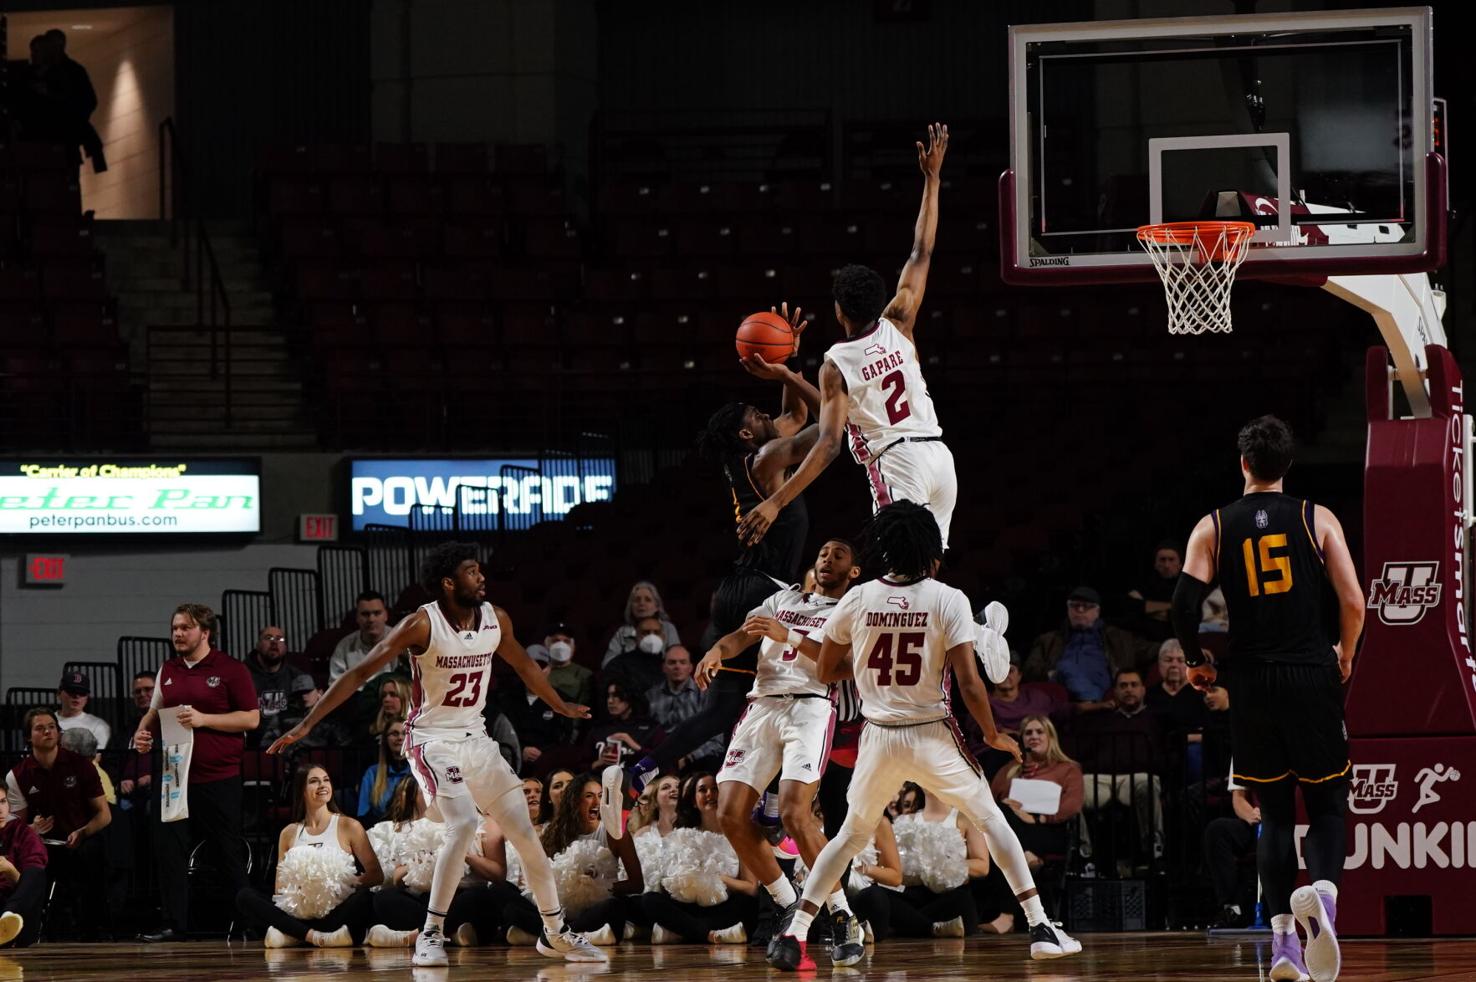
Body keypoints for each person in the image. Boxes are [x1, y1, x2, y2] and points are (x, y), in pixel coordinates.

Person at [764, 502, 1079, 971]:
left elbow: (827, 669)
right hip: (930, 731)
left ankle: (796, 933)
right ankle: (1039, 925)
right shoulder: (947, 598)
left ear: (882, 549)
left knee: (849, 835)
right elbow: (970, 683)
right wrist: (991, 734)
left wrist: (870, 664)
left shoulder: (858, 597)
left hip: (878, 734)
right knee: (990, 820)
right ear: (932, 552)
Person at [266, 541, 604, 966]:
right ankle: (431, 933)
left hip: (476, 739)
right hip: (430, 740)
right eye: (471, 571)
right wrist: (306, 724)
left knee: (525, 834)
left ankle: (555, 933)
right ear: (449, 582)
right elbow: (359, 672)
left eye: (481, 570)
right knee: (462, 823)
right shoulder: (420, 624)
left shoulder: (495, 618)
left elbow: (524, 665)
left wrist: (559, 704)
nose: (481, 577)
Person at [1172, 415, 1365, 982]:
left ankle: (1283, 944)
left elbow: (1185, 603)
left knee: (1274, 815)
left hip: (1252, 683)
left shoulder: (1213, 526)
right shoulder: (1316, 517)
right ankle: (1323, 901)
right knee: (1328, 805)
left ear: (1243, 464)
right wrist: (1346, 653)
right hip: (1310, 673)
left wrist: (1196, 662)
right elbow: (1353, 601)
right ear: (1287, 466)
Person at [614, 328, 821, 798]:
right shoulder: (768, 458)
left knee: (722, 711)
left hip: (736, 589)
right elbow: (829, 422)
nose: (766, 413)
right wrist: (789, 372)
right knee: (797, 693)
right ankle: (773, 802)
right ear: (748, 433)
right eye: (755, 414)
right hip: (763, 591)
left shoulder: (753, 457)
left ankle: (641, 770)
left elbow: (794, 413)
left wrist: (788, 359)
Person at [739, 124, 956, 551]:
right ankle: (963, 621)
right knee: (928, 565)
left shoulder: (836, 363)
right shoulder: (900, 320)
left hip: (898, 463)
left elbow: (830, 443)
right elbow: (921, 251)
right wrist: (932, 179)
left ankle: (965, 621)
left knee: (900, 571)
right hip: (939, 457)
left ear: (838, 310)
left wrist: (775, 504)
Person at [690, 539, 863, 962]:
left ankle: (842, 915)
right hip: (761, 703)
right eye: (823, 552)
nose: (827, 558)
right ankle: (788, 903)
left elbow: (841, 668)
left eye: (839, 554)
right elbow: (739, 637)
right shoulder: (783, 597)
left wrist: (790, 636)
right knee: (729, 813)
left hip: (810, 706)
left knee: (794, 813)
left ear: (853, 571)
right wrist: (716, 651)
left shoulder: (853, 611)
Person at [132, 603, 259, 942]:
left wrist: (205, 720)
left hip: (218, 775)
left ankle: (244, 922)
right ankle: (176, 924)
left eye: (185, 627)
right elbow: (154, 711)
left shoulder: (231, 669)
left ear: (205, 633)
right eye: (175, 627)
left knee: (226, 851)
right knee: (169, 851)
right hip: (174, 773)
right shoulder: (168, 669)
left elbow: (251, 718)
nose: (177, 633)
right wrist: (143, 733)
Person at [235, 764, 380, 947]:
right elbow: (279, 890)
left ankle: (294, 934)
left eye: (326, 780)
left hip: (336, 910)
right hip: (300, 914)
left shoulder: (349, 826)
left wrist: (339, 883)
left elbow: (376, 875)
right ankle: (315, 937)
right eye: (314, 781)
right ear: (301, 790)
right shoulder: (289, 832)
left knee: (365, 898)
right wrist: (303, 891)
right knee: (245, 896)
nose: (322, 785)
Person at [502, 774, 647, 946]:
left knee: (616, 906)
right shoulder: (552, 834)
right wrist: (565, 886)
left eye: (601, 796)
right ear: (574, 801)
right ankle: (579, 936)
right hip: (562, 909)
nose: (597, 802)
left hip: (598, 906)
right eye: (589, 796)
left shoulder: (616, 833)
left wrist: (597, 886)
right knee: (510, 907)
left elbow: (637, 884)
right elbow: (541, 879)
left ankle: (551, 937)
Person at [5, 708, 111, 939]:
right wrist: (31, 830)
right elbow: (17, 826)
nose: (47, 732)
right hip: (43, 844)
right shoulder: (17, 775)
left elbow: (104, 814)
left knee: (93, 853)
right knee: (30, 862)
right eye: (39, 728)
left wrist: (83, 832)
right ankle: (27, 929)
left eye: (52, 727)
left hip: (81, 839)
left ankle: (93, 931)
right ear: (27, 737)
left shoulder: (81, 765)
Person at [986, 715, 1084, 931]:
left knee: (1005, 845)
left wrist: (1038, 818)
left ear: (1050, 736)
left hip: (1049, 831)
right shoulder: (1010, 769)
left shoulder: (1067, 769)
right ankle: (1026, 854)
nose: (1034, 736)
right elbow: (989, 802)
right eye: (1028, 733)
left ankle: (1007, 916)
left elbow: (1072, 806)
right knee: (1000, 816)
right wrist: (1008, 805)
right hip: (1016, 830)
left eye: (1039, 732)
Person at [642, 772, 759, 944]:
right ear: (693, 801)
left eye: (715, 789)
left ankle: (681, 932)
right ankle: (709, 934)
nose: (710, 794)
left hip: (722, 907)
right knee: (649, 900)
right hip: (687, 907)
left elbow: (751, 888)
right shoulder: (682, 835)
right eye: (703, 790)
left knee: (749, 903)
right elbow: (667, 881)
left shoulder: (739, 836)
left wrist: (718, 879)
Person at [1023, 587, 1153, 709]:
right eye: (1075, 606)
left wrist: (1170, 644)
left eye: (1086, 607)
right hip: (1062, 697)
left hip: (1104, 693)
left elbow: (1149, 649)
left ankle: (1090, 703)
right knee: (1066, 667)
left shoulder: (1119, 638)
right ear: (1068, 609)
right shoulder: (1049, 640)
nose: (1080, 610)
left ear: (1097, 612)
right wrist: (1052, 673)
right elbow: (1029, 669)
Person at [644, 646, 723, 769]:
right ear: (663, 667)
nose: (677, 666)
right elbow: (645, 733)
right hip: (659, 757)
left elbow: (716, 741)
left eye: (682, 662)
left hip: (696, 759)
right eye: (672, 662)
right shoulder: (651, 696)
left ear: (691, 667)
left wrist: (688, 757)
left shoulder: (705, 694)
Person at [1204, 760, 1260, 929]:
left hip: (1286, 823)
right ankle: (1232, 909)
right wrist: (1252, 814)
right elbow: (1239, 798)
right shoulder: (1243, 747)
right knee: (1218, 830)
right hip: (1259, 825)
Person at [246, 625, 321, 749]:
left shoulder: (297, 677)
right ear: (258, 645)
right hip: (252, 745)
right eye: (268, 638)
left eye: (280, 639)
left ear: (285, 648)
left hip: (288, 744)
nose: (274, 642)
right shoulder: (242, 675)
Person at [0, 791, 48, 948]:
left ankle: (6, 918)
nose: (0, 810)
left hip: (19, 912)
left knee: (36, 874)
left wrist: (9, 870)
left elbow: (31, 884)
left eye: (2, 802)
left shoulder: (23, 833)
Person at [602, 582, 682, 665]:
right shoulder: (622, 632)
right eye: (637, 600)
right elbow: (607, 664)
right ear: (631, 606)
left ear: (657, 606)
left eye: (648, 600)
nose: (641, 603)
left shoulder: (668, 629)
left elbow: (677, 661)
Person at [329, 591, 393, 687]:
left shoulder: (401, 639)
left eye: (377, 613)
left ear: (386, 616)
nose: (371, 619)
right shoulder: (344, 646)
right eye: (365, 614)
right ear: (357, 617)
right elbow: (335, 685)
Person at [1126, 541, 1184, 642]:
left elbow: (1183, 617)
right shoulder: (1144, 584)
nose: (1166, 565)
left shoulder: (1188, 587)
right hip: (1147, 641)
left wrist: (1147, 608)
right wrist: (1171, 607)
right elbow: (1133, 608)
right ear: (1155, 564)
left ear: (1180, 565)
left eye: (1171, 560)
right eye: (1162, 560)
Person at [530, 623, 595, 709]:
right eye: (555, 641)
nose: (561, 645)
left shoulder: (584, 675)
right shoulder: (536, 670)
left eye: (566, 641)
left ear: (574, 647)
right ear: (545, 644)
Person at [357, 720, 410, 823]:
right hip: (380, 831)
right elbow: (363, 815)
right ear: (385, 740)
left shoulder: (420, 773)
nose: (400, 737)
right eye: (394, 733)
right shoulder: (372, 773)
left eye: (405, 733)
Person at [56, 671, 111, 750]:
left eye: (82, 693)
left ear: (87, 698)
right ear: (59, 693)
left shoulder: (98, 726)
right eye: (72, 691)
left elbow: (98, 757)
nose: (76, 696)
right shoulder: (47, 721)